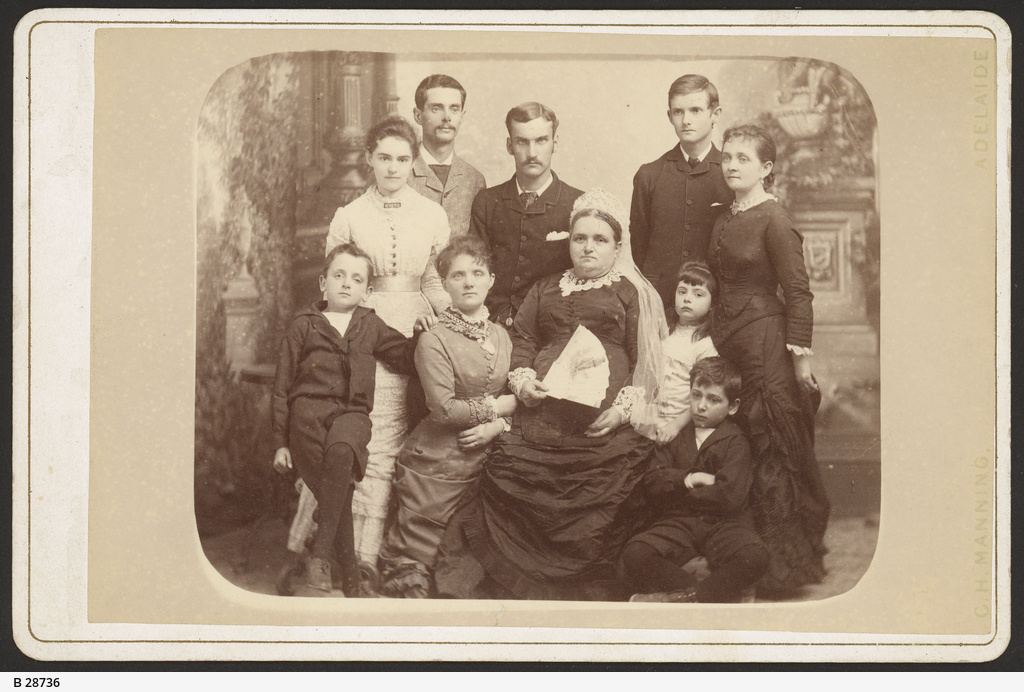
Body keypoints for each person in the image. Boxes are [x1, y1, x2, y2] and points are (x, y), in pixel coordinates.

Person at [435, 188, 668, 601]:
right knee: (509, 474)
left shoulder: (628, 293)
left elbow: (645, 360)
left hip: (603, 424)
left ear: (617, 247)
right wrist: (523, 381)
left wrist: (622, 410)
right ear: (569, 242)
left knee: (613, 485)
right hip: (542, 415)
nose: (588, 247)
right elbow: (524, 338)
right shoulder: (545, 288)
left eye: (600, 240)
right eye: (580, 238)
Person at [318, 114, 452, 585]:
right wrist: (353, 328)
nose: (393, 168)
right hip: (363, 328)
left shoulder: (433, 215)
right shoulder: (349, 216)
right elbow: (337, 285)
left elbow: (434, 280)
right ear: (369, 160)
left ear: (414, 162)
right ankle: (349, 556)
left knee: (396, 438)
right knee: (363, 436)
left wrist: (442, 319)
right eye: (384, 158)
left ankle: (376, 555)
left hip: (413, 328)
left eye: (402, 159)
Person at [708, 123, 830, 597]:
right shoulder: (724, 217)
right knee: (741, 447)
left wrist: (800, 363)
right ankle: (744, 557)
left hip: (766, 346)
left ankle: (781, 568)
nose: (732, 165)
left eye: (743, 158)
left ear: (766, 168)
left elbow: (798, 292)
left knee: (772, 448)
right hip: (730, 343)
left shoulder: (775, 219)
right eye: (727, 157)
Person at [271, 243, 413, 597]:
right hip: (306, 418)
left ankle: (320, 554)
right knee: (338, 492)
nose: (347, 283)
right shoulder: (303, 326)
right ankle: (350, 575)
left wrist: (426, 334)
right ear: (323, 283)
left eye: (357, 279)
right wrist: (280, 443)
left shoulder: (370, 324)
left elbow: (407, 356)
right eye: (339, 275)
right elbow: (282, 386)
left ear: (368, 290)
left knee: (342, 452)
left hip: (351, 414)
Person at [379, 237, 515, 598]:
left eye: (477, 273)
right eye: (458, 275)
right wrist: (498, 408)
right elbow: (443, 409)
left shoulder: (503, 336)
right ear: (444, 284)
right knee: (423, 558)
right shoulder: (433, 338)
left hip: (488, 451)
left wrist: (497, 426)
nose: (469, 282)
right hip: (439, 459)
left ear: (491, 280)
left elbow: (514, 399)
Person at [623, 357, 769, 603]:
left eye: (713, 400)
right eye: (696, 396)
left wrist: (677, 490)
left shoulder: (736, 441)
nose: (701, 406)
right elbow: (653, 483)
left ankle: (683, 597)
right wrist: (692, 479)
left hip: (723, 524)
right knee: (635, 553)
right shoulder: (672, 436)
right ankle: (704, 593)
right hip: (679, 522)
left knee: (756, 556)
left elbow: (730, 495)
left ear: (732, 407)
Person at [469, 102, 583, 327]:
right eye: (522, 141)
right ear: (509, 145)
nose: (532, 153)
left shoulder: (578, 204)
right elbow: (475, 269)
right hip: (493, 323)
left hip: (553, 326)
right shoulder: (487, 202)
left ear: (555, 143)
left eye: (541, 140)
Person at [629, 75, 734, 308]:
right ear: (670, 116)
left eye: (695, 110)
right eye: (678, 112)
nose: (686, 120)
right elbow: (639, 245)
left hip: (716, 301)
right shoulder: (650, 175)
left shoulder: (731, 174)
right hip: (660, 299)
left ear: (715, 114)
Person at [407, 74, 487, 240]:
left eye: (454, 109)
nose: (447, 117)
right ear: (418, 115)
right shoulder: (397, 173)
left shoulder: (474, 180)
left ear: (462, 116)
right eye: (436, 108)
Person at [655, 261, 719, 445]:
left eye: (698, 294)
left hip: (681, 422)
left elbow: (705, 395)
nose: (687, 299)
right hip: (652, 416)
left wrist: (675, 425)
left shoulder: (705, 345)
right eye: (682, 292)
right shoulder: (664, 331)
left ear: (712, 304)